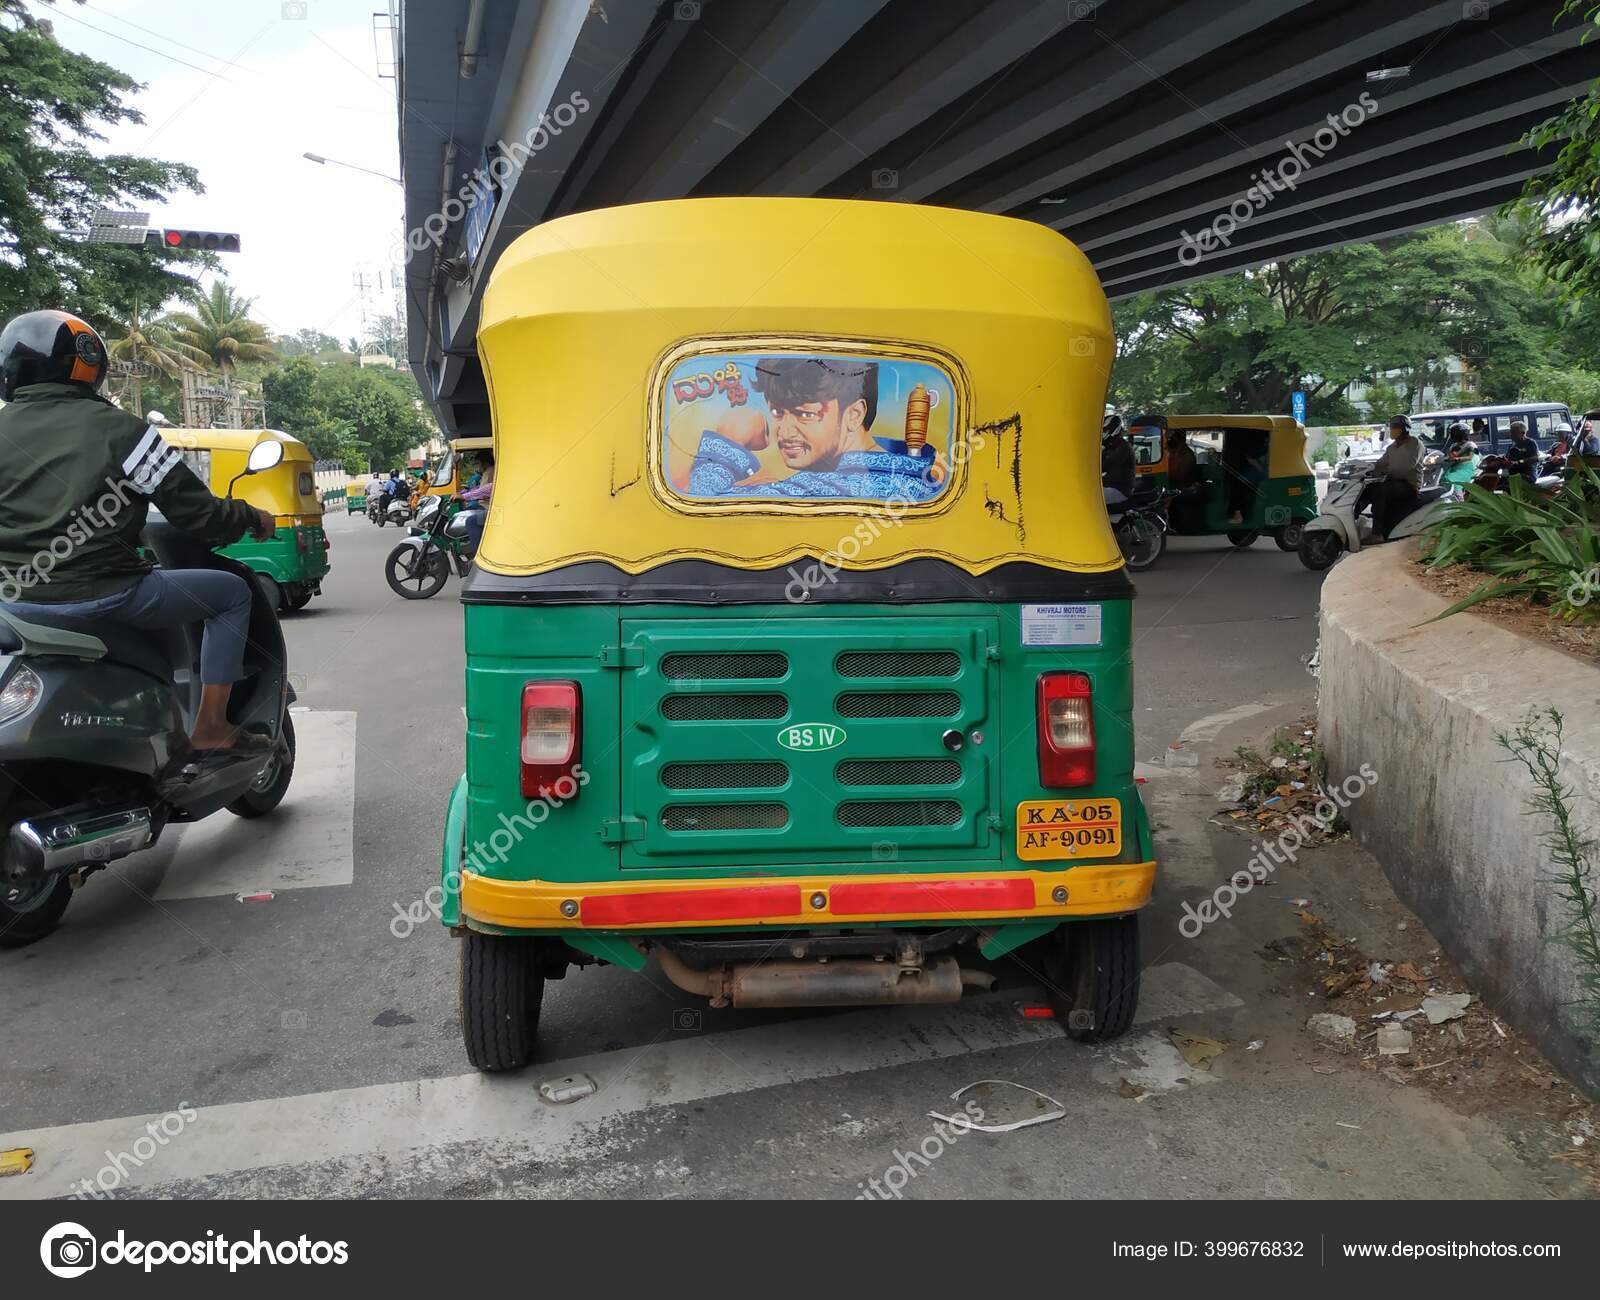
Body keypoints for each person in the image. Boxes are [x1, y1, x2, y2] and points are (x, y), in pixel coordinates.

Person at [0, 310, 276, 755]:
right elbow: (199, 515)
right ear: (87, 365)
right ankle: (210, 724)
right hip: (109, 594)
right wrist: (252, 518)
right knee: (232, 594)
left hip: (15, 604)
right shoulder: (125, 430)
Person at [1361, 414, 1423, 537]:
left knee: (1380, 491)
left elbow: (1407, 466)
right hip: (1392, 483)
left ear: (1405, 428)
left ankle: (1377, 534)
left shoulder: (1415, 444)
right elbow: (1380, 464)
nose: (1393, 430)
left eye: (1396, 427)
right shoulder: (1391, 447)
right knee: (1365, 489)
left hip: (1409, 485)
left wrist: (1386, 470)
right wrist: (1366, 469)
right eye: (1392, 427)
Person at [1100, 414, 1136, 505]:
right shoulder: (1110, 447)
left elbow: (1105, 465)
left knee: (1090, 497)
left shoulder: (1124, 447)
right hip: (1109, 487)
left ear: (1114, 430)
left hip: (1120, 490)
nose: (1103, 434)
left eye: (1105, 431)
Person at [1440, 421, 1479, 499]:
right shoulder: (1453, 445)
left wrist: (1458, 459)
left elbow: (1470, 457)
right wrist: (1441, 459)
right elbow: (1449, 456)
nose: (1452, 435)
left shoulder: (1470, 445)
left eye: (1454, 433)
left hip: (1467, 468)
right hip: (1454, 468)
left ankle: (1459, 496)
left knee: (1451, 478)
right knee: (1443, 477)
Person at [1504, 420, 1540, 485]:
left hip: (1527, 474)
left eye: (1514, 432)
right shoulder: (1511, 445)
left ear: (1523, 432)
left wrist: (1518, 462)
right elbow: (1507, 459)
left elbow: (1535, 458)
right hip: (1512, 474)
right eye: (1511, 432)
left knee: (1510, 485)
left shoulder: (1530, 443)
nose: (1511, 435)